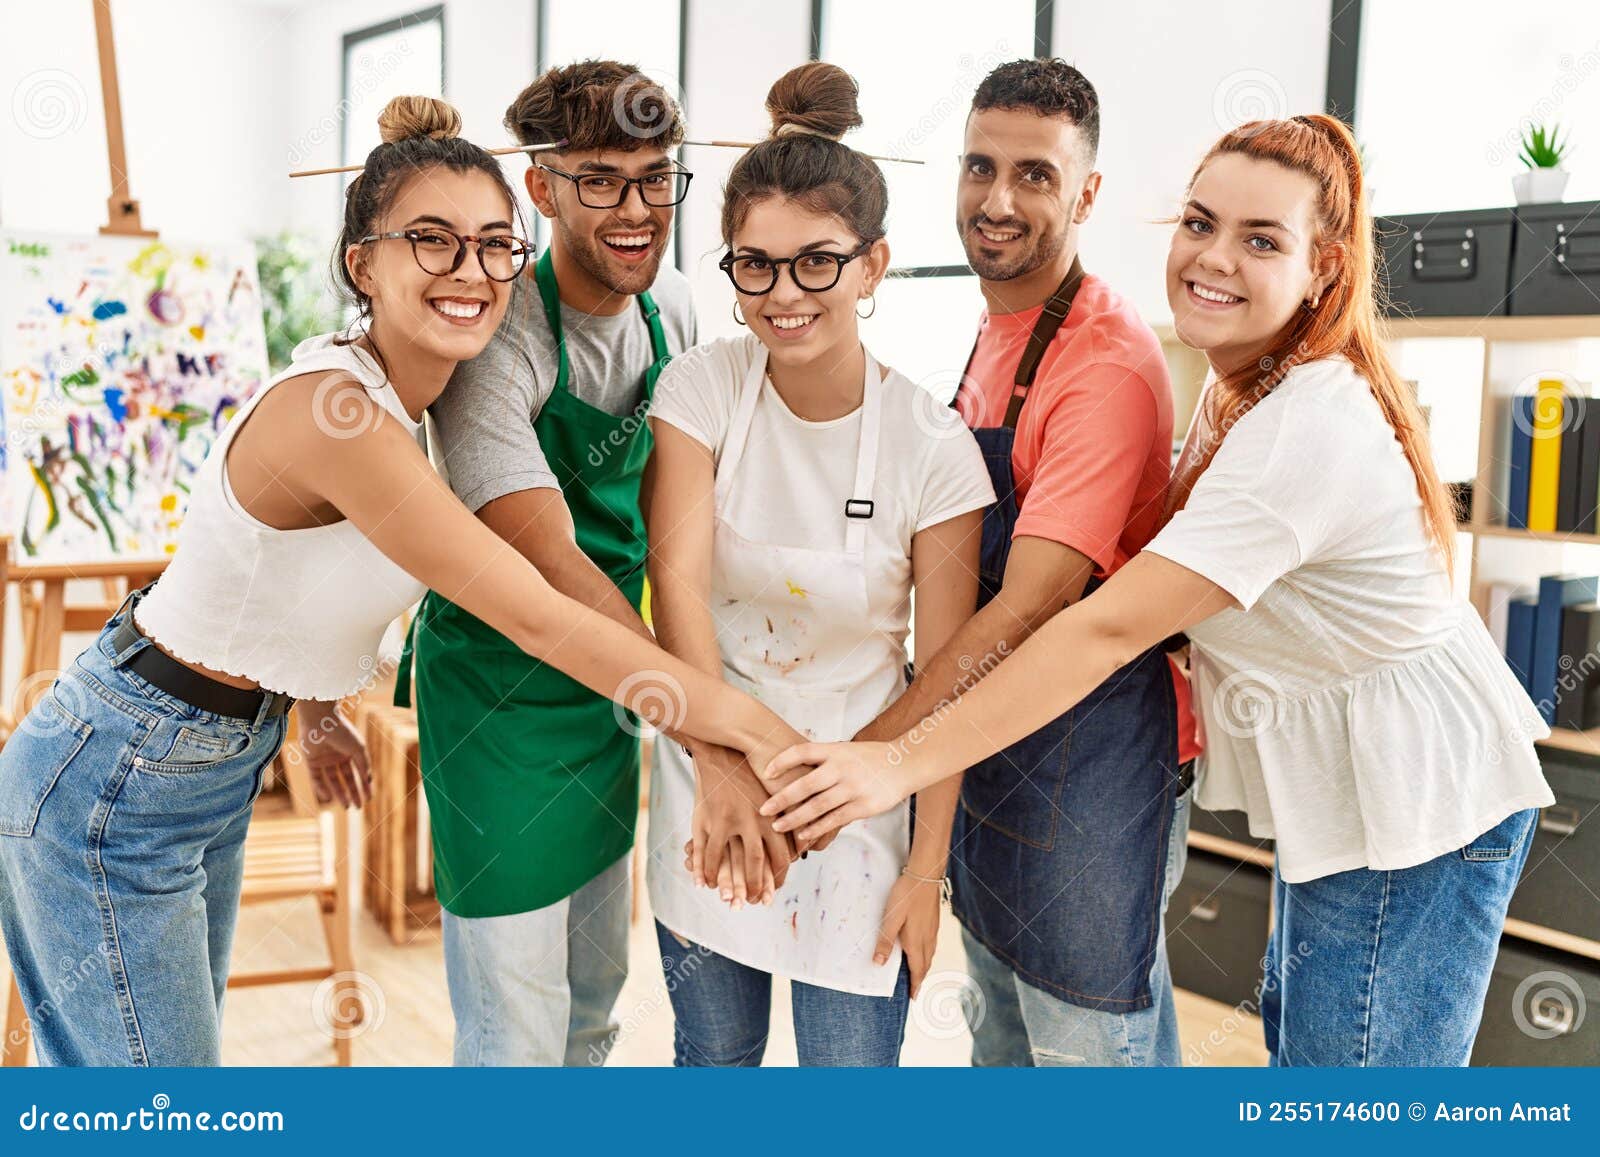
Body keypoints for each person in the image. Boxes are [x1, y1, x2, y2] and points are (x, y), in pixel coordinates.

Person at [0, 95, 799, 1068]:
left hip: (198, 766)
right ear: (360, 263)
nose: (471, 271)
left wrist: (314, 709)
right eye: (432, 241)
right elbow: (540, 613)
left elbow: (264, 580)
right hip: (113, 776)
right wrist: (753, 728)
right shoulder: (338, 410)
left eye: (493, 245)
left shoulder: (409, 408)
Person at [762, 112, 1554, 1068]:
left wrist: (895, 761)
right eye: (1199, 222)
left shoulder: (1302, 427)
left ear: (1327, 270)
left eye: (1261, 240)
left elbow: (1098, 627)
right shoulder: (1237, 385)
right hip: (1349, 802)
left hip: (1421, 801)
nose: (1212, 258)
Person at [827, 58, 1198, 1067]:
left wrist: (875, 751)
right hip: (995, 754)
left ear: (1085, 193)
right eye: (978, 167)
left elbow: (1032, 603)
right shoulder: (996, 333)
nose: (997, 200)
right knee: (1005, 1042)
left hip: (1090, 764)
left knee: (1090, 1051)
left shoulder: (1103, 361)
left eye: (1034, 175)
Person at [642, 61, 995, 1067]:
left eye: (815, 263)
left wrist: (927, 869)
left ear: (873, 265)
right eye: (752, 264)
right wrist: (719, 764)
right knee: (711, 1056)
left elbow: (950, 670)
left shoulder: (933, 449)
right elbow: (675, 586)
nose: (781, 294)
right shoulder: (702, 387)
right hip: (710, 776)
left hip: (863, 801)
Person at [394, 61, 700, 1068]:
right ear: (542, 187)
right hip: (502, 696)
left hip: (607, 698)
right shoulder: (497, 335)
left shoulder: (678, 318)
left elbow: (689, 521)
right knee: (515, 1030)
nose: (635, 208)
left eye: (657, 177)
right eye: (600, 180)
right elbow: (548, 554)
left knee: (592, 1007)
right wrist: (693, 704)